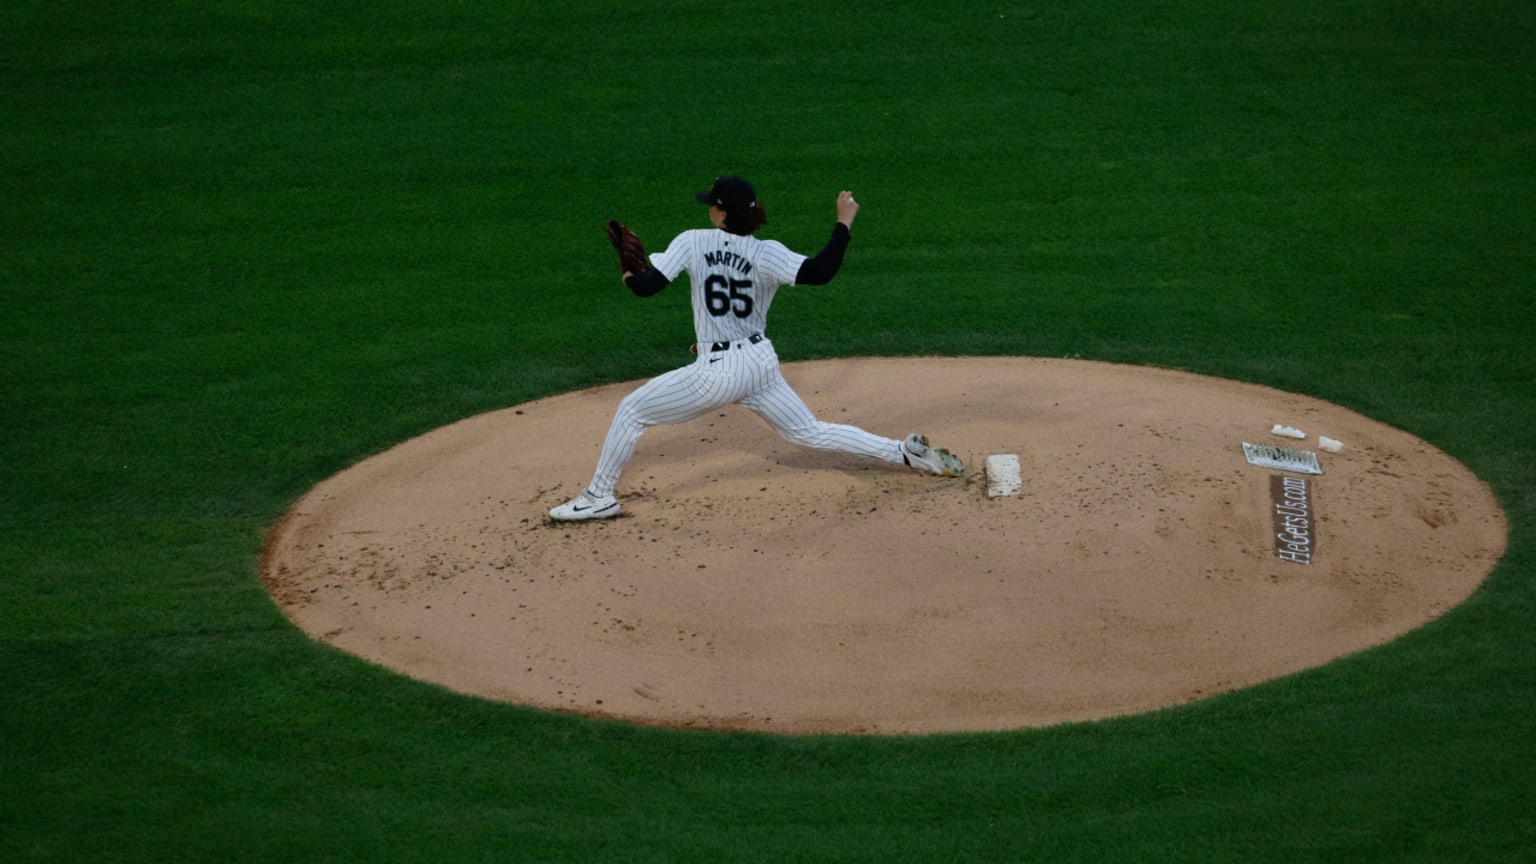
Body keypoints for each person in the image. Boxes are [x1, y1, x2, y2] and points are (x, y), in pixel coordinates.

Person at [549, 176, 963, 521]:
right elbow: (821, 271)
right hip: (759, 362)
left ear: (723, 214)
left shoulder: (692, 241)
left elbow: (646, 287)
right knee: (807, 430)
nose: (708, 208)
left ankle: (598, 496)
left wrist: (626, 270)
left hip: (720, 372)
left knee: (632, 410)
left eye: (712, 204)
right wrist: (843, 222)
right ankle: (904, 454)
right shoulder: (768, 253)